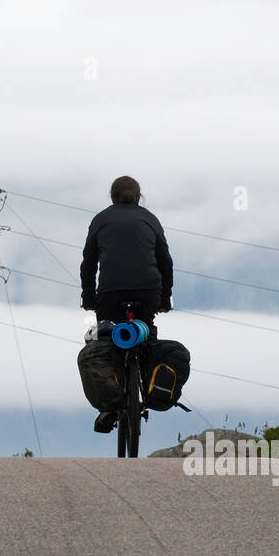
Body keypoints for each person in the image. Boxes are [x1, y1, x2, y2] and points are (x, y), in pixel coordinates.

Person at [80, 175, 174, 433]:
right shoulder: (150, 219)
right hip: (147, 291)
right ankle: (151, 381)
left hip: (110, 292)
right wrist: (164, 298)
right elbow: (165, 262)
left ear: (111, 197)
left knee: (108, 340)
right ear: (139, 197)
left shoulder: (100, 219)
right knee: (146, 333)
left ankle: (110, 406)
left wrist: (88, 298)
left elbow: (88, 264)